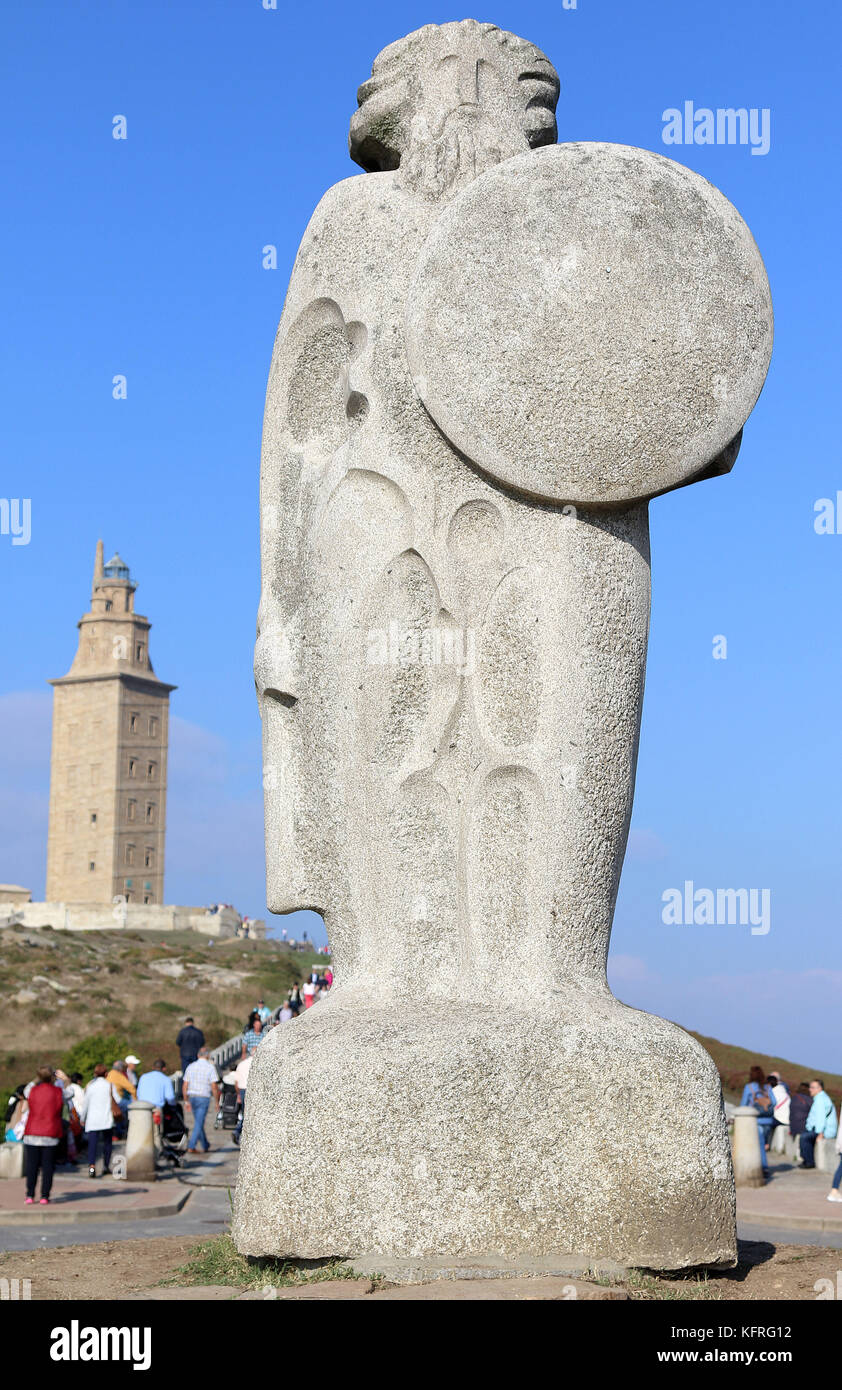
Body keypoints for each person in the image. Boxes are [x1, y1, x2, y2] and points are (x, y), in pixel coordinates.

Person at [22, 1066, 64, 1205]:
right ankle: (44, 1196)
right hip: (50, 1134)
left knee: (32, 1166)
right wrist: (66, 1079)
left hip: (32, 1132)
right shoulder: (58, 1091)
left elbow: (26, 1089)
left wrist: (38, 1078)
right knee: (47, 1167)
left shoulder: (32, 1090)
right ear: (53, 1077)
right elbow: (70, 1094)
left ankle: (29, 1195)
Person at [80, 1064, 119, 1178]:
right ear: (106, 1074)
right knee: (107, 1144)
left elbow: (85, 1104)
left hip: (93, 1120)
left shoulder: (91, 1086)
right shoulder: (110, 1085)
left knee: (92, 1145)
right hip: (107, 1119)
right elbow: (119, 1100)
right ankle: (106, 1166)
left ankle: (92, 1167)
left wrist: (83, 1118)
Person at [182, 1047, 220, 1154]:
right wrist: (217, 1101)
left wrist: (186, 1101)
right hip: (203, 1097)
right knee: (199, 1122)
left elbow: (185, 1085)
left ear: (198, 1055)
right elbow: (214, 1086)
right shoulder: (210, 1067)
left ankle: (205, 1144)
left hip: (192, 1096)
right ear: (207, 1056)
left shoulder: (191, 1066)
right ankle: (191, 1145)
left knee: (199, 1121)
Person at [740, 1066, 774, 1174]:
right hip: (768, 1120)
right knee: (763, 1145)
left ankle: (763, 1168)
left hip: (756, 1121)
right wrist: (766, 1106)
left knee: (759, 1145)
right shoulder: (768, 1087)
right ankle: (762, 1167)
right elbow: (775, 1102)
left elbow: (743, 1104)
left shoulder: (749, 1087)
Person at [799, 1079, 838, 1169]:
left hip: (825, 1131)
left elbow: (821, 1118)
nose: (810, 1089)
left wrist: (820, 1133)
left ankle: (809, 1162)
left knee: (805, 1137)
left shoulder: (820, 1099)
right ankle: (806, 1160)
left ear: (819, 1088)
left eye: (812, 1087)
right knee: (804, 1135)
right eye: (810, 1087)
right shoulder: (820, 1098)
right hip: (819, 1129)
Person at [106, 1059, 136, 1137]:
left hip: (109, 1101)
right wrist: (136, 1099)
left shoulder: (109, 1074)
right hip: (117, 1100)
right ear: (121, 1068)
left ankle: (119, 1130)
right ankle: (126, 1130)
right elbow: (131, 1088)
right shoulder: (118, 1075)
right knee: (131, 1106)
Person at [232, 1054, 252, 1146]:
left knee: (245, 1113)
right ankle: (238, 1130)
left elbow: (236, 1082)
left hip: (242, 1089)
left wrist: (238, 1094)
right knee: (249, 1114)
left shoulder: (241, 1064)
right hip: (251, 1089)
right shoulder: (255, 1062)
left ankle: (238, 1130)